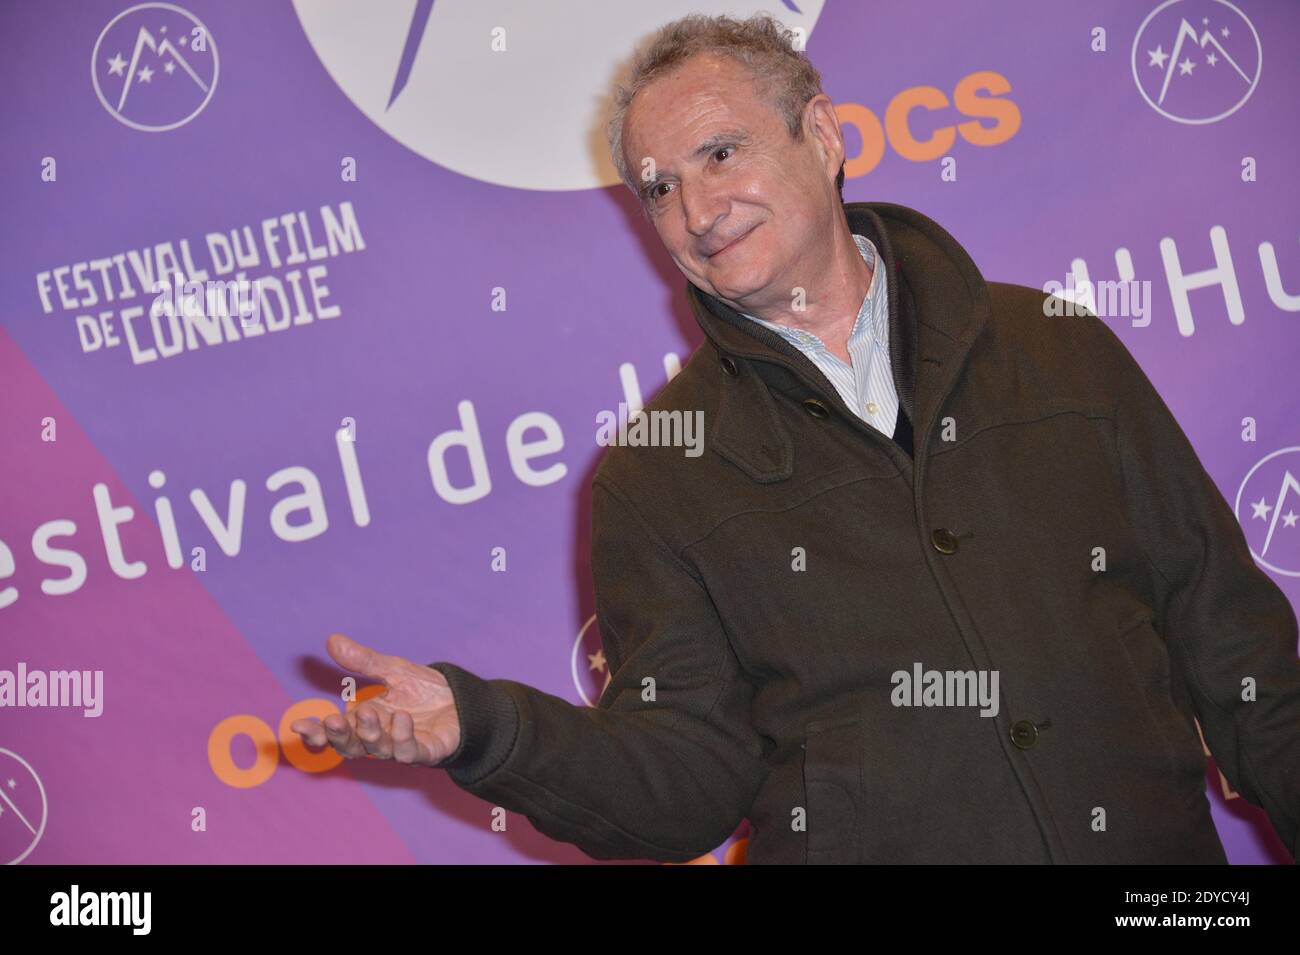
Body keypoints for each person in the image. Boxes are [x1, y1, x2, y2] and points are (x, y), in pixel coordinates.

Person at [292, 13, 1300, 864]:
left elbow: (1241, 656)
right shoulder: (657, 475)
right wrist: (483, 728)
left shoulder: (1054, 347)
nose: (695, 208)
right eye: (657, 187)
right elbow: (682, 780)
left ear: (819, 135)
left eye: (720, 152)